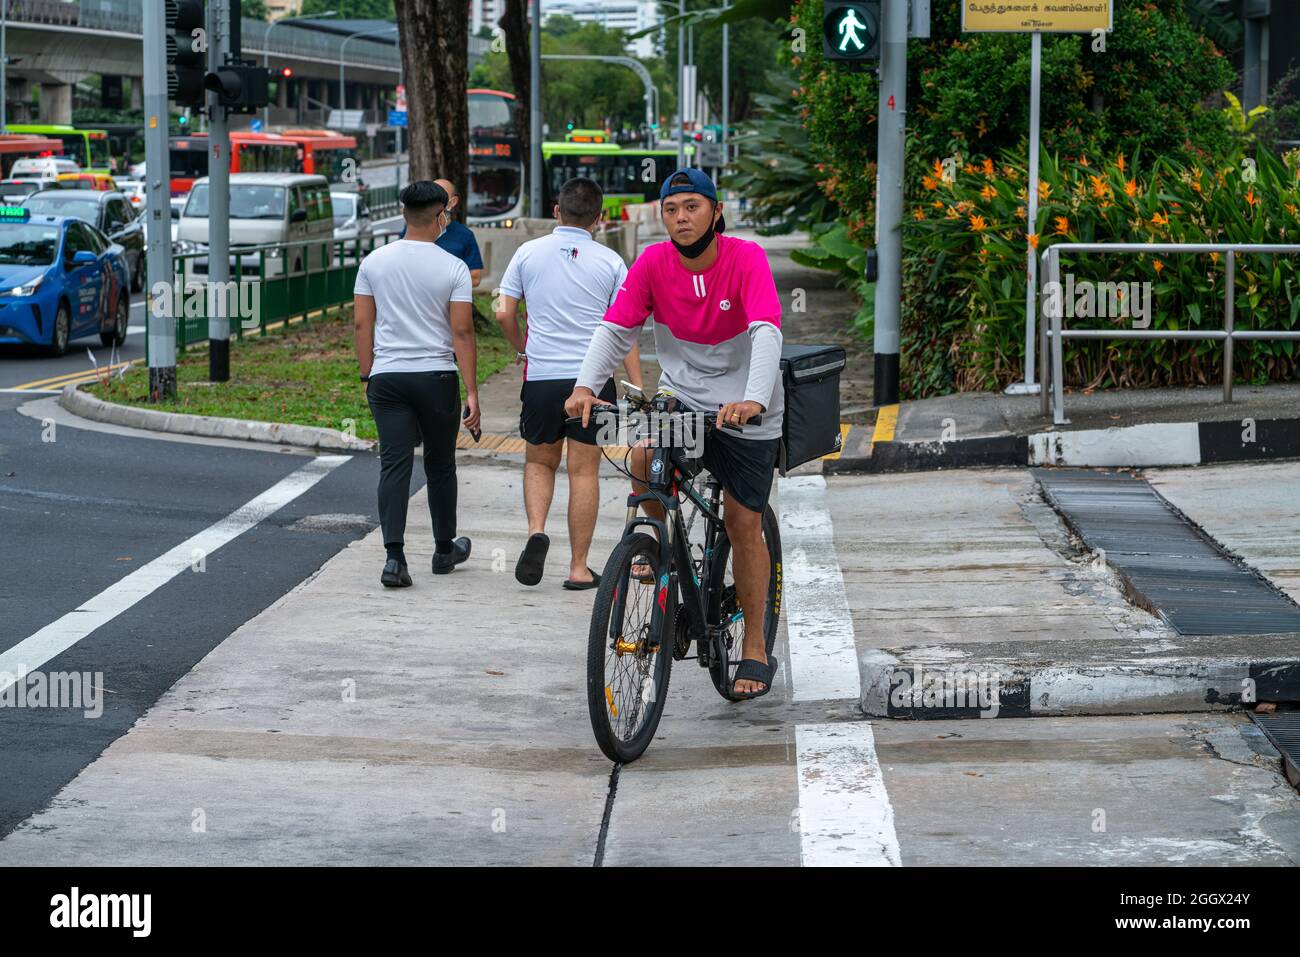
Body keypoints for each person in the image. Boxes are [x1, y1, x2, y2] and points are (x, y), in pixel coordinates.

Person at [565, 169, 784, 698]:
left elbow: (767, 330)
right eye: (671, 209)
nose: (680, 218)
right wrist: (584, 386)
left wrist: (752, 398)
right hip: (686, 401)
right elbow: (616, 329)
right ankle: (656, 549)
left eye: (691, 207)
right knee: (642, 460)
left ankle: (753, 646)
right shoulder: (653, 264)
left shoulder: (746, 258)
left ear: (714, 210)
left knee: (741, 521)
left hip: (746, 411)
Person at [496, 177, 643, 589]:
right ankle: (579, 569)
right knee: (583, 474)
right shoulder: (612, 262)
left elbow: (504, 313)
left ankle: (536, 532)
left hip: (541, 378)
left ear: (556, 211)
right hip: (593, 383)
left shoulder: (527, 253)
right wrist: (636, 383)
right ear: (600, 218)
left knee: (539, 462)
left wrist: (523, 349)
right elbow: (623, 329)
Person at [354, 180, 481, 588]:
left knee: (394, 464)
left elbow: (362, 323)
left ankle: (394, 559)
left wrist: (366, 373)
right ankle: (444, 550)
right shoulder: (453, 267)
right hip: (436, 377)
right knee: (440, 463)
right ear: (441, 216)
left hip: (387, 378)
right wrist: (473, 390)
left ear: (404, 215)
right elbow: (462, 333)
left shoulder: (373, 261)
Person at [397, 177, 484, 288]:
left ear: (453, 202)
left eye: (440, 195)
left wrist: (439, 286)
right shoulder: (412, 229)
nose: (431, 199)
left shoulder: (465, 235)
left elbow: (475, 278)